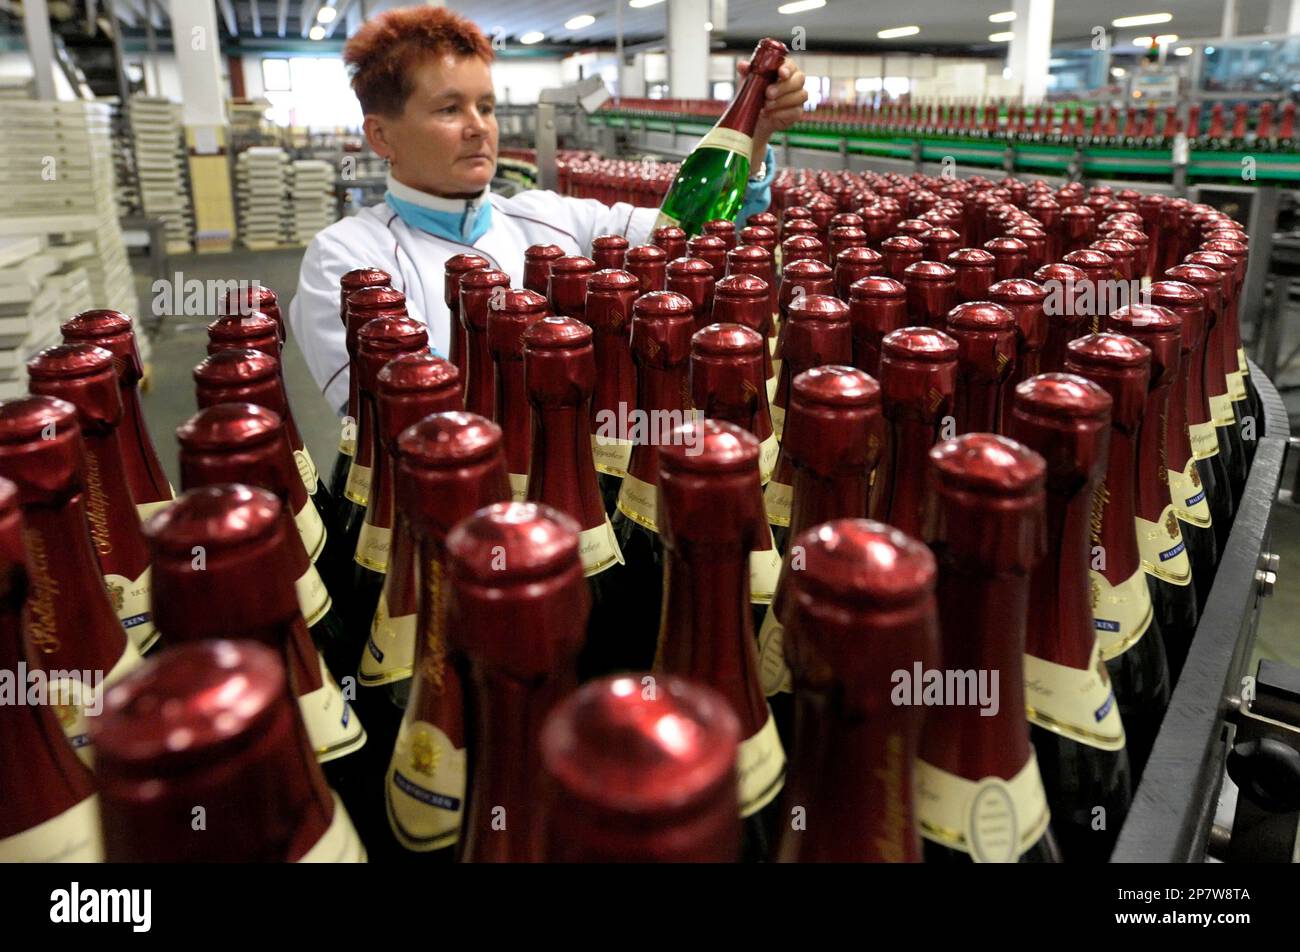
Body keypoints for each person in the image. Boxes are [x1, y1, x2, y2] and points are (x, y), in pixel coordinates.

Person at [288, 5, 807, 413]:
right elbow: (403, 422)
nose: (479, 127)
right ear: (380, 134)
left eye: (485, 107)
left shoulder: (549, 219)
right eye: (450, 109)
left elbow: (690, 240)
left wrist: (753, 142)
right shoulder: (349, 258)